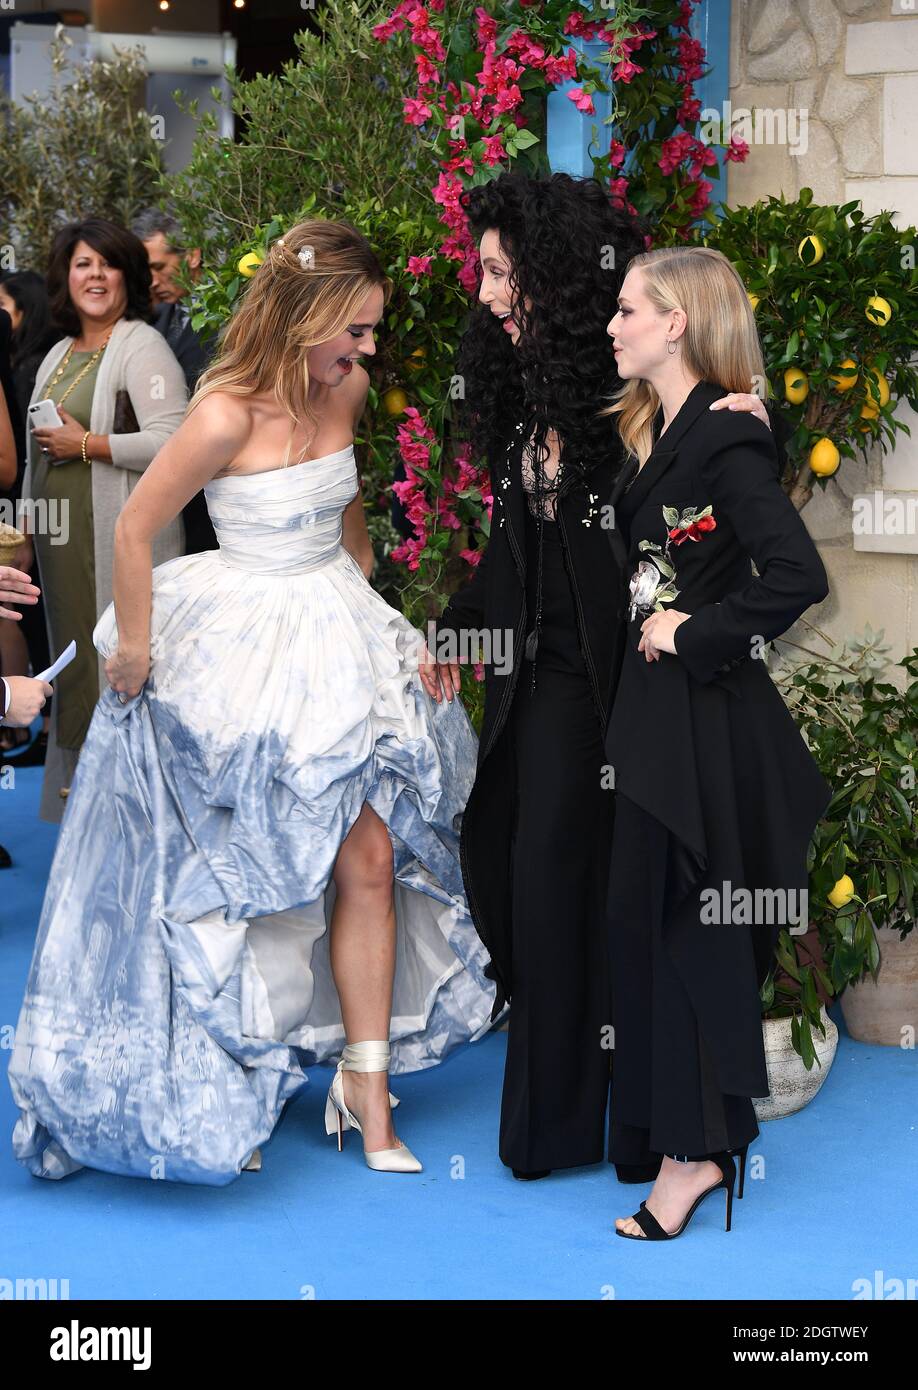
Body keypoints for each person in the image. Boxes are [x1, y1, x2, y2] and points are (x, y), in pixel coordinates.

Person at [8, 218, 496, 1186]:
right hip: (237, 655)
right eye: (353, 328)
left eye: (370, 331)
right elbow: (138, 530)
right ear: (306, 312)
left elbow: (351, 536)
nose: (365, 350)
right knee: (246, 876)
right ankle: (238, 1065)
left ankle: (367, 1083)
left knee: (371, 853)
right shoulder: (226, 409)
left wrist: (387, 644)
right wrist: (136, 650)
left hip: (333, 635)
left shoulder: (346, 390)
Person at [420, 172, 776, 1182]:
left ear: (553, 276)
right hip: (542, 692)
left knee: (638, 907)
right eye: (482, 271)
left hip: (637, 696)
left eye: (502, 271)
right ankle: (558, 1123)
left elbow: (722, 522)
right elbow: (511, 553)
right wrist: (459, 631)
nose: (486, 294)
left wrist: (747, 424)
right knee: (537, 888)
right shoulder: (518, 402)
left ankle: (652, 1135)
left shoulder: (639, 409)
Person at [603, 246, 831, 1241]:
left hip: (702, 728)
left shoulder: (725, 441)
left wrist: (693, 631)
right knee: (652, 929)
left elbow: (796, 576)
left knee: (691, 934)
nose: (613, 327)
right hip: (657, 724)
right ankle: (681, 1134)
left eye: (627, 310)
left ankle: (694, 1158)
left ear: (677, 322)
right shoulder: (669, 428)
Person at [20, 218, 187, 819]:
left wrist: (89, 445)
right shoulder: (61, 353)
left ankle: (131, 818)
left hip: (115, 544)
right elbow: (39, 449)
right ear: (66, 276)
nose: (95, 275)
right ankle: (86, 813)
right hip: (63, 553)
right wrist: (22, 534)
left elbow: (176, 441)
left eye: (108, 264)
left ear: (128, 276)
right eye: (83, 263)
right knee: (74, 673)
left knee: (116, 669)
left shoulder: (141, 344)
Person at [133, 208, 218, 555]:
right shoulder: (159, 318)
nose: (151, 281)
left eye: (158, 268)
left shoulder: (232, 319)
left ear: (193, 255)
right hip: (177, 497)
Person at [0, 273, 56, 760]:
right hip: (27, 507)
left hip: (26, 507)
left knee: (16, 614)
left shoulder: (32, 366)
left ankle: (24, 725)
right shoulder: (25, 361)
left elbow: (16, 460)